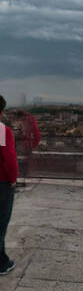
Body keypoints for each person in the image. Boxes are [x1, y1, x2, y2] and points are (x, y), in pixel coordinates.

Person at [0, 94, 18, 278]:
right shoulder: (2, 131)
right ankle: (1, 263)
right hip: (1, 183)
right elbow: (10, 159)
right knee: (0, 223)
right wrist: (13, 179)